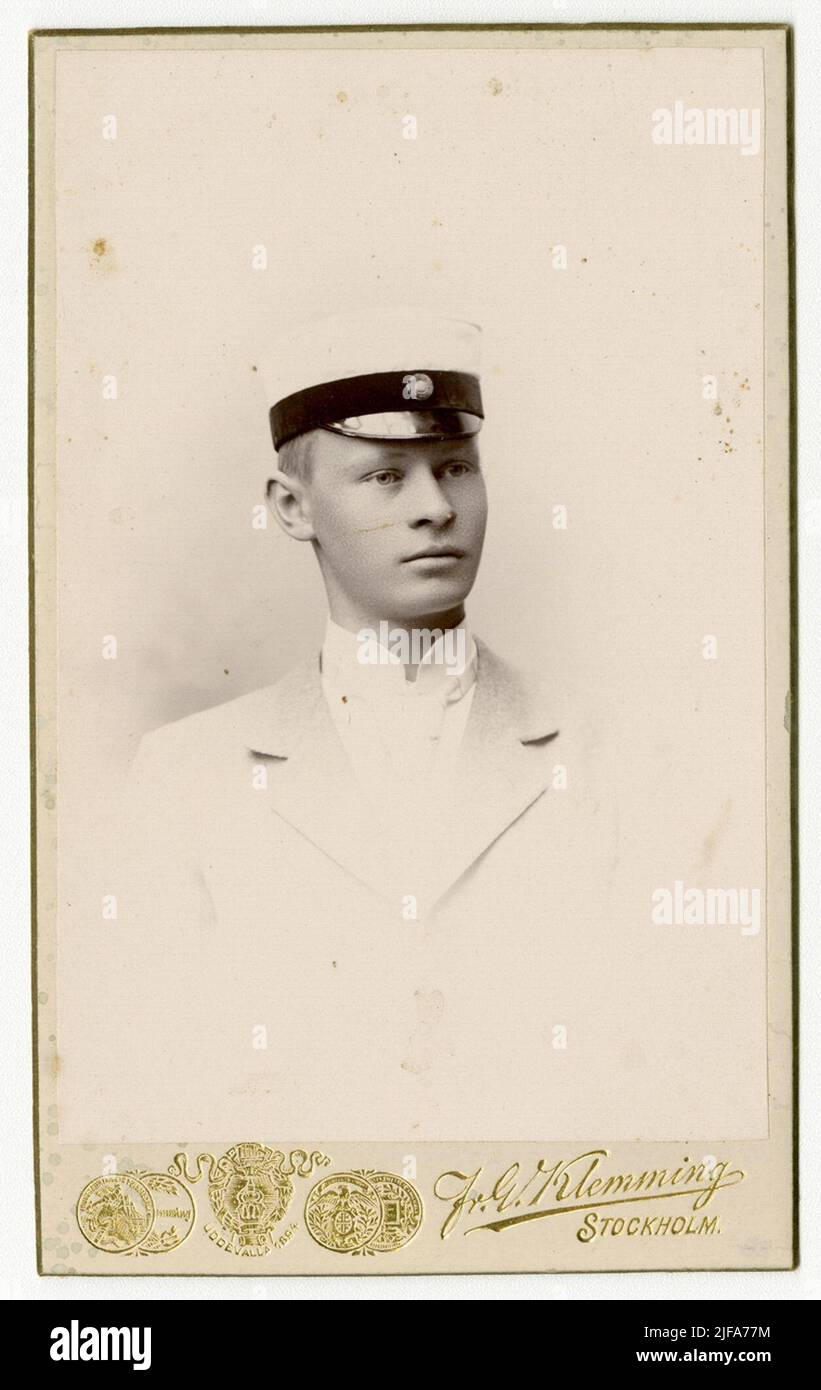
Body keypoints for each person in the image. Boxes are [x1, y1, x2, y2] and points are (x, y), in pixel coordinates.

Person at [97, 308, 613, 1143]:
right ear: (292, 509)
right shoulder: (185, 775)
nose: (434, 509)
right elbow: (154, 1075)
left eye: (454, 468)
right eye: (383, 477)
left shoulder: (608, 750)